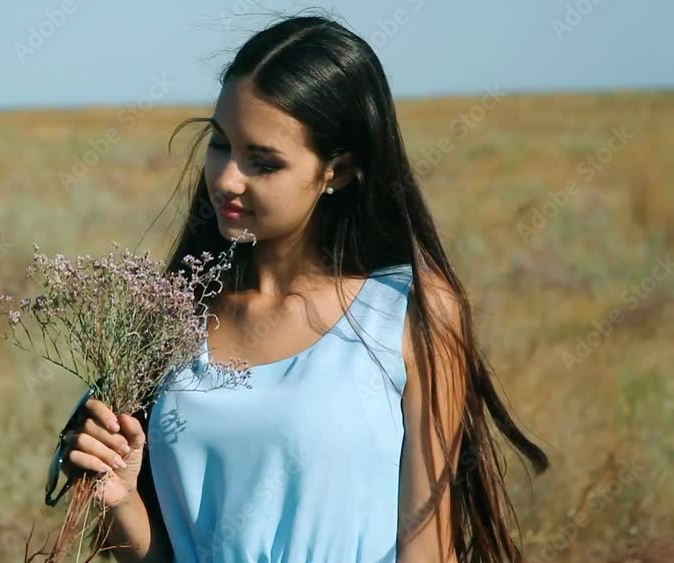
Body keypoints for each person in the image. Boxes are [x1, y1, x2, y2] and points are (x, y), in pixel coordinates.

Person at [57, 13, 548, 563]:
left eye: (262, 162)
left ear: (336, 171)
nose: (225, 179)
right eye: (220, 144)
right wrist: (119, 499)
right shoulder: (171, 320)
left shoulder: (411, 313)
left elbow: (429, 549)